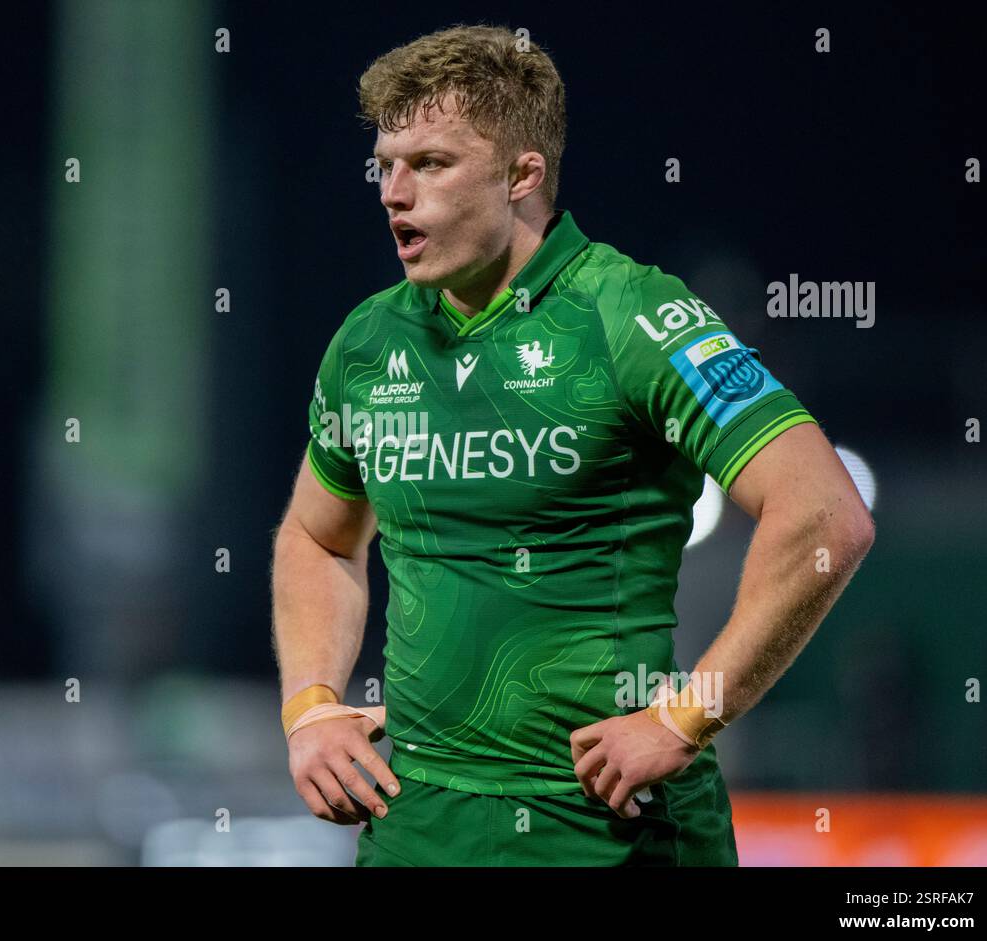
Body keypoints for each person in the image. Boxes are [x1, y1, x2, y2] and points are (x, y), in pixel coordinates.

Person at [270, 24, 874, 866]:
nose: (392, 194)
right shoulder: (368, 343)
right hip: (416, 822)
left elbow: (825, 516)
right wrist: (311, 708)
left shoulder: (633, 315)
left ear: (523, 174)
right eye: (384, 165)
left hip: (605, 829)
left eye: (431, 164)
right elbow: (317, 537)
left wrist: (684, 717)